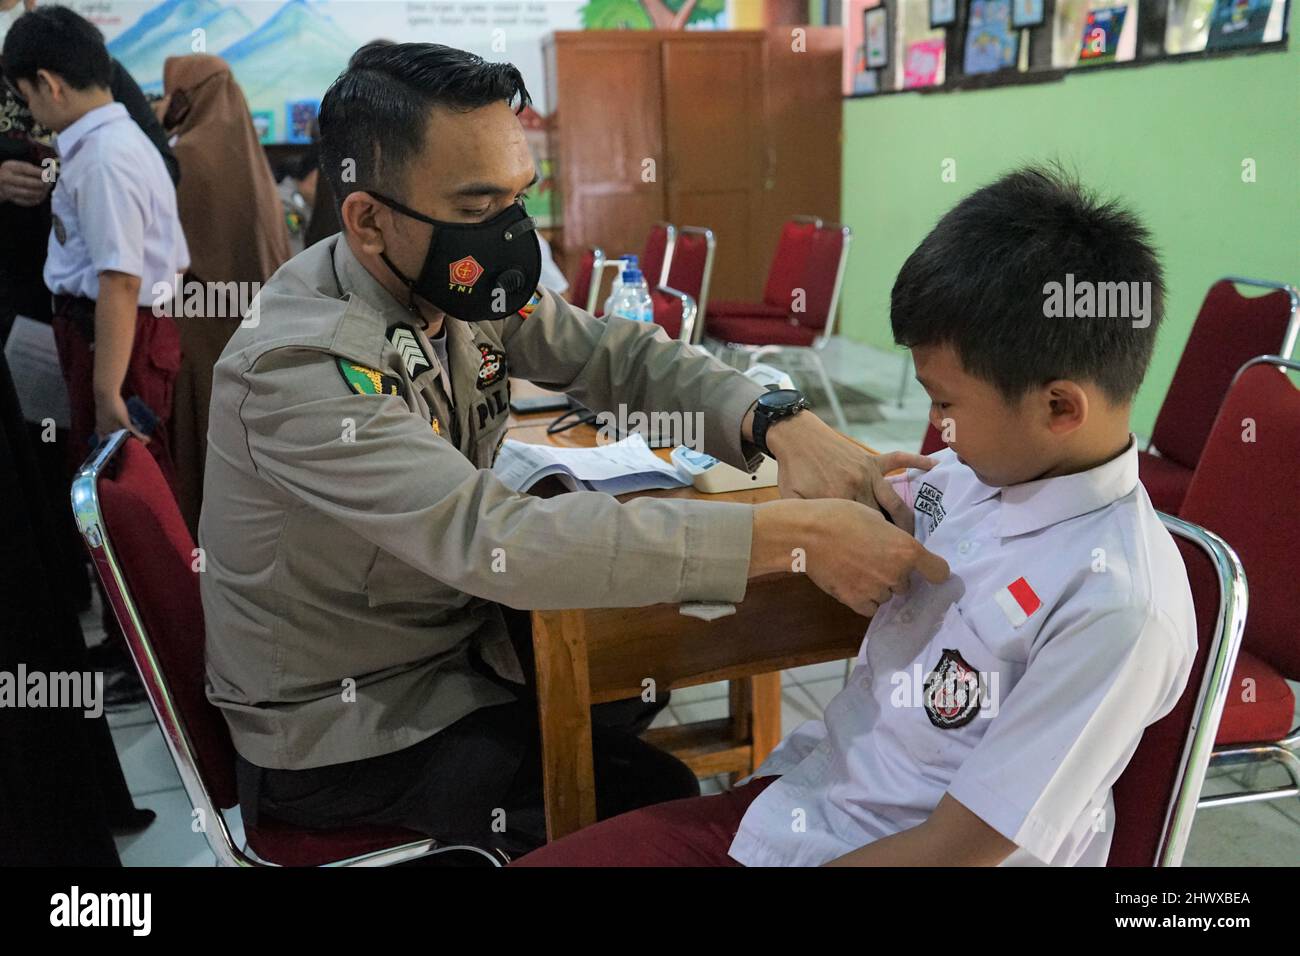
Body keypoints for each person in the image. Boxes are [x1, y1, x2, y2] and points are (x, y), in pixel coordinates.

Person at [200, 41, 947, 858]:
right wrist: (793, 537)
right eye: (480, 206)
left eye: (521, 197)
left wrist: (777, 421)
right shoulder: (301, 365)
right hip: (350, 720)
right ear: (370, 220)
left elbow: (612, 355)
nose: (511, 232)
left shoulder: (449, 280)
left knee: (638, 666)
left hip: (448, 643)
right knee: (652, 796)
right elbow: (489, 537)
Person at [515, 165, 1196, 866]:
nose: (936, 427)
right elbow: (862, 503)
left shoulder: (1114, 606)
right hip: (810, 800)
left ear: (1059, 408)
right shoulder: (974, 475)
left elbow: (958, 848)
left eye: (946, 404)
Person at [3, 6, 188, 482]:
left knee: (120, 484)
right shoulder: (112, 142)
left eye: (26, 96)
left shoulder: (105, 159)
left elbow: (121, 280)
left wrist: (106, 394)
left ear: (49, 84)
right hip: (113, 334)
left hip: (112, 340)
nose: (32, 111)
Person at [158, 53, 291, 535]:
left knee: (201, 453)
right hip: (253, 326)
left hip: (197, 328)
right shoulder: (247, 151)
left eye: (174, 92)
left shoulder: (184, 155)